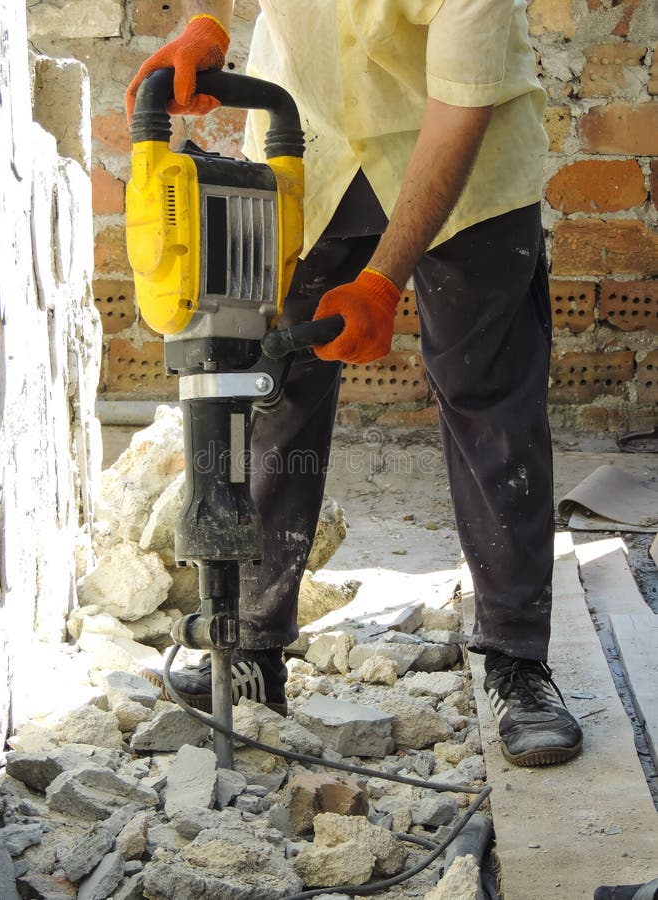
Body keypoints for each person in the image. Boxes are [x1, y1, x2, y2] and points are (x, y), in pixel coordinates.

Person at [126, 0, 583, 767]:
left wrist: (380, 281)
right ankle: (250, 645)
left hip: (460, 157)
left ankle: (517, 663)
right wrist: (206, 22)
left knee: (488, 399)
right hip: (306, 140)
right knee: (270, 390)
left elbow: (457, 111)